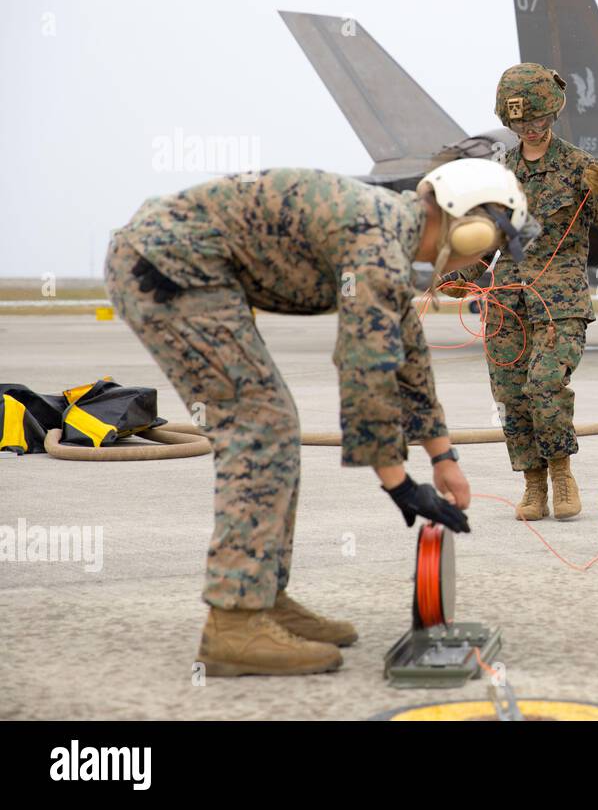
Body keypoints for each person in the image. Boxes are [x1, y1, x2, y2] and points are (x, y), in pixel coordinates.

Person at [104, 161, 531, 676]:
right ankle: (235, 625)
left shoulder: (386, 235)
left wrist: (442, 457)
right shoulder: (375, 243)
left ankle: (262, 597)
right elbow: (364, 366)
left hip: (182, 264)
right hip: (168, 268)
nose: (482, 260)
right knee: (260, 425)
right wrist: (398, 483)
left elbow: (407, 355)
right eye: (490, 246)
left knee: (271, 421)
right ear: (469, 225)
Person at [445, 64, 598, 521]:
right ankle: (532, 485)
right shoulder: (500, 172)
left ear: (552, 113)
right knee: (511, 395)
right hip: (507, 302)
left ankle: (562, 474)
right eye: (519, 122)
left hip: (560, 299)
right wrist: (460, 274)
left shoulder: (578, 167)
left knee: (545, 385)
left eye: (537, 119)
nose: (529, 128)